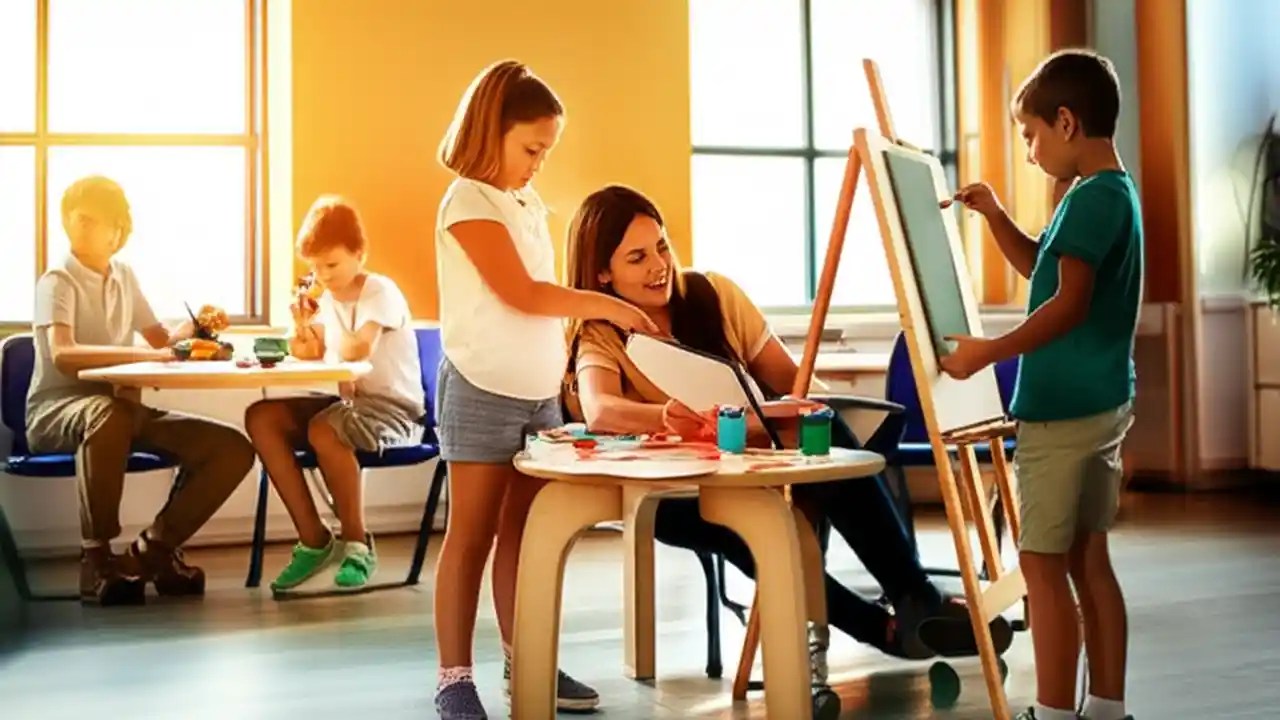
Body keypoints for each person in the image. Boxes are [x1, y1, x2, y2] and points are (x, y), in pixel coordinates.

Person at [562, 183, 1016, 663]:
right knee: (751, 532)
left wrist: (798, 410)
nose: (659, 266)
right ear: (602, 273)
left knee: (826, 430)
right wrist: (668, 418)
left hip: (755, 468)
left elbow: (794, 384)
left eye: (662, 246)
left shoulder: (712, 294)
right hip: (677, 495)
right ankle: (887, 624)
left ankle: (909, 599)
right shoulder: (600, 332)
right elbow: (601, 410)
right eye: (637, 258)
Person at [430, 60, 657, 719]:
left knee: (525, 535)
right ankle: (453, 679)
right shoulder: (467, 199)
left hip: (536, 395)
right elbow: (522, 293)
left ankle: (523, 656)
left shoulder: (524, 202)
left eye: (546, 152)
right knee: (470, 537)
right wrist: (605, 305)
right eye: (531, 149)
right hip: (481, 388)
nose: (537, 165)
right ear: (491, 131)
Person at [940, 49, 1141, 720]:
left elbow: (1068, 305)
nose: (1029, 152)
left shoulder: (1091, 199)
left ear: (1065, 121)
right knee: (1089, 561)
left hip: (1062, 414)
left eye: (1030, 134)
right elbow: (1049, 276)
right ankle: (1106, 711)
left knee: (1042, 567)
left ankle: (1053, 713)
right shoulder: (1109, 193)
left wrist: (988, 353)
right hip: (1103, 404)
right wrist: (996, 216)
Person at [26, 175, 255, 606]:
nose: (85, 228)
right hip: (57, 412)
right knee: (107, 414)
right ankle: (96, 560)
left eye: (98, 221)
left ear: (119, 231)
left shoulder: (125, 276)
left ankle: (153, 552)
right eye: (79, 219)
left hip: (119, 412)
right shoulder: (56, 280)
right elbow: (64, 354)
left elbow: (161, 342)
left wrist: (201, 328)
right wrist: (132, 357)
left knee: (233, 448)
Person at [244, 196, 424, 592]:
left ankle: (357, 544)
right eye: (314, 267)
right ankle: (314, 539)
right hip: (350, 406)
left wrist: (329, 320)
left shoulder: (379, 291)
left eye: (332, 264)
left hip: (395, 411)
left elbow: (359, 349)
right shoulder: (326, 297)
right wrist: (303, 324)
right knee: (261, 417)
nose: (323, 276)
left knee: (325, 430)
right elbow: (307, 353)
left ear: (359, 255)